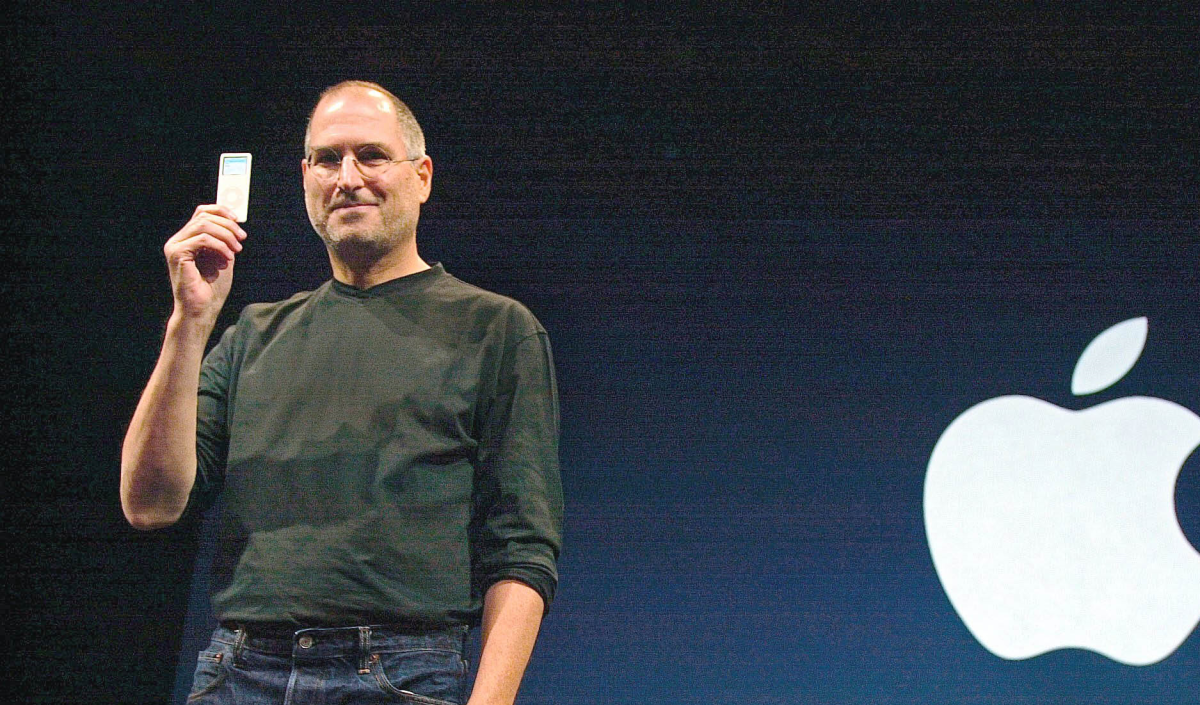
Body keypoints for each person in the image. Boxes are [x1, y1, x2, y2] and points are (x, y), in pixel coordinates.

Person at [120, 80, 563, 705]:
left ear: (423, 176)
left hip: (398, 673)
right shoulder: (251, 334)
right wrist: (188, 324)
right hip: (238, 671)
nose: (347, 177)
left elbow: (523, 548)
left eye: (372, 156)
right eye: (327, 159)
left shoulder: (496, 329)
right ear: (305, 179)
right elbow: (150, 504)